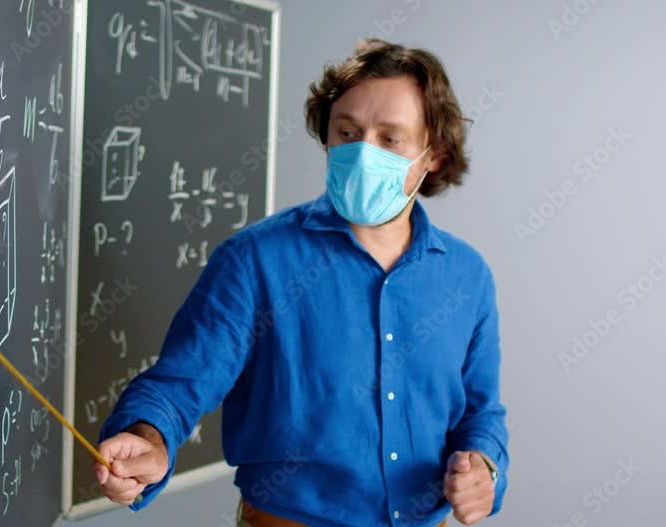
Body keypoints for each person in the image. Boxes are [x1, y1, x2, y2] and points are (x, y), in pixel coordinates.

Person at [93, 38, 509, 527]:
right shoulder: (254, 260)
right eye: (347, 132)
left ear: (433, 155)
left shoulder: (467, 275)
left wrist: (482, 466)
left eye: (389, 139)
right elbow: (177, 385)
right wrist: (148, 440)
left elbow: (480, 413)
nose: (362, 153)